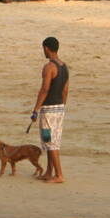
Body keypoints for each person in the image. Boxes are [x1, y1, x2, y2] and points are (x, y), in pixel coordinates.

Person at [31, 36, 70, 184]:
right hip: (59, 108)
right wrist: (62, 108)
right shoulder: (64, 67)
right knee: (49, 141)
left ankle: (59, 175)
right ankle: (49, 172)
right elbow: (65, 91)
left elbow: (45, 89)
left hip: (48, 111)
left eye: (43, 49)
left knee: (51, 142)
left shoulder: (49, 67)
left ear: (46, 48)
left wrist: (36, 109)